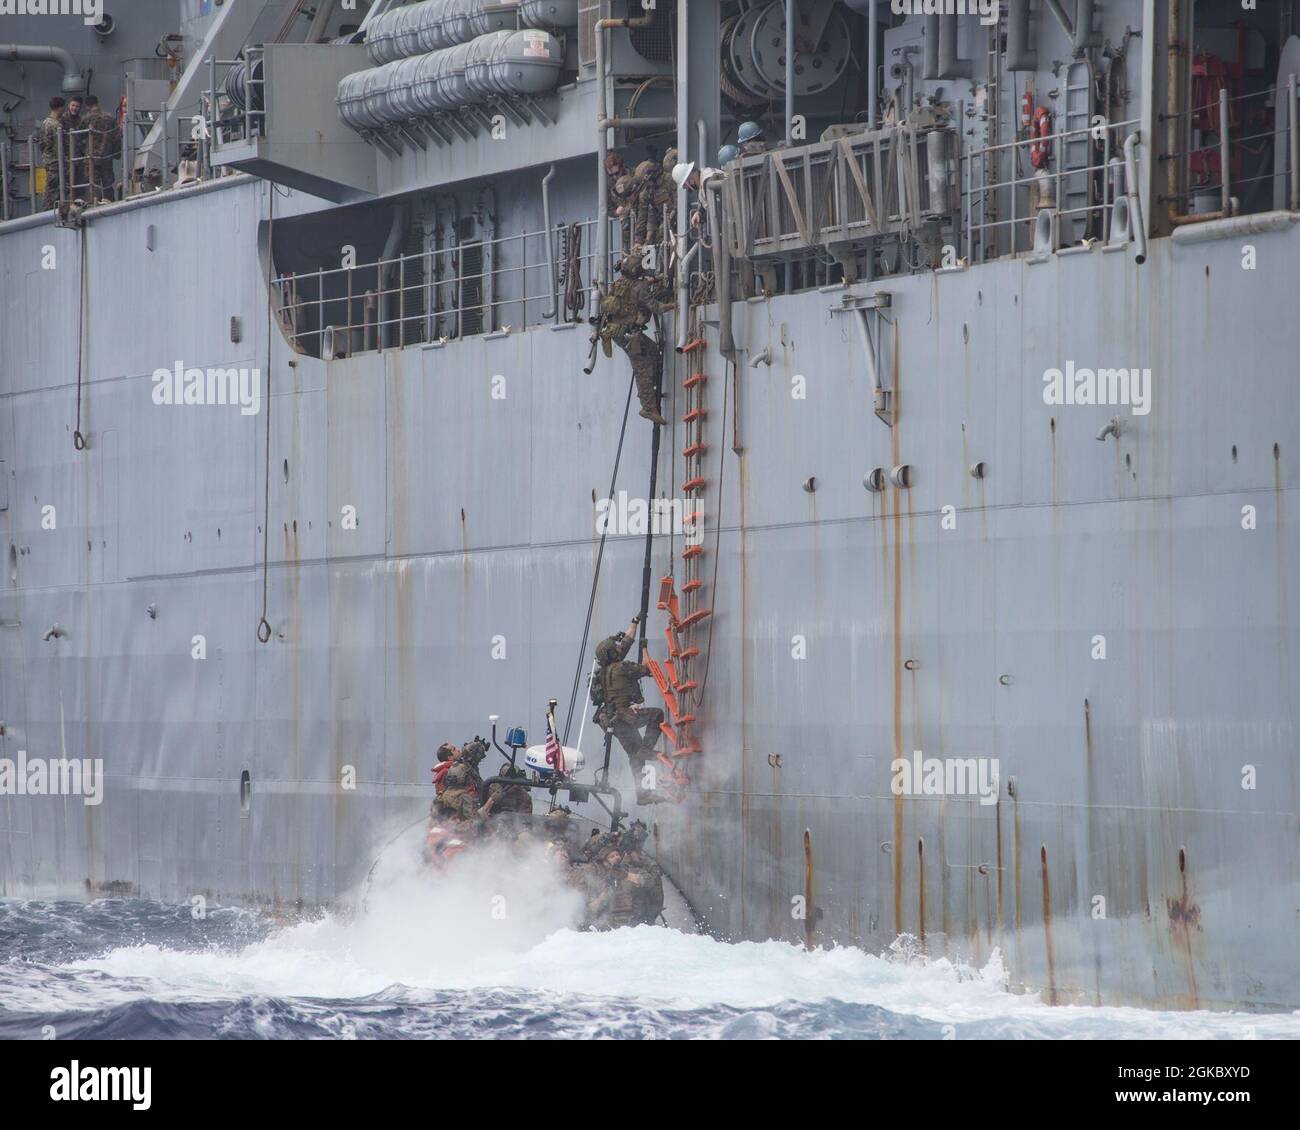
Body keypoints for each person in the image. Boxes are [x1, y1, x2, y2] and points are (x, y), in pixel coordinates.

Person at [592, 616, 666, 803]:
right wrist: (644, 648)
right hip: (625, 716)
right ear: (612, 654)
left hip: (611, 721)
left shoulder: (602, 672)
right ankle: (647, 750)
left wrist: (635, 622)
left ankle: (643, 795)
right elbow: (647, 669)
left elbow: (625, 643)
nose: (619, 648)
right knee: (657, 715)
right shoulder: (623, 667)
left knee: (634, 754)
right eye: (616, 648)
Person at [597, 250, 673, 427]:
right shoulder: (639, 287)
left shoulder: (618, 283)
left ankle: (650, 388)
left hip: (617, 332)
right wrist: (673, 305)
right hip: (629, 336)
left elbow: (630, 293)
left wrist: (652, 281)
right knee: (642, 368)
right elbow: (656, 307)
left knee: (652, 350)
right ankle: (648, 408)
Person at [435, 738, 494, 822]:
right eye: (454, 749)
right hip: (468, 812)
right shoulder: (453, 772)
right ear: (450, 757)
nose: (458, 750)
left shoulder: (454, 769)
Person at [84, 95, 121, 202]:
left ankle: (95, 203)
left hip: (91, 158)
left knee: (93, 185)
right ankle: (110, 203)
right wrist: (116, 154)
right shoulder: (110, 118)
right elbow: (117, 138)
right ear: (98, 103)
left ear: (87, 106)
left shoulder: (86, 119)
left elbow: (78, 137)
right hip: (106, 157)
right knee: (107, 185)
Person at [39, 97, 66, 210]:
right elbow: (59, 146)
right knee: (53, 190)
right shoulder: (56, 125)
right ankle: (48, 211)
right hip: (55, 162)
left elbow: (42, 143)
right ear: (59, 108)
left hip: (47, 160)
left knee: (50, 188)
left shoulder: (45, 122)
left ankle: (48, 210)